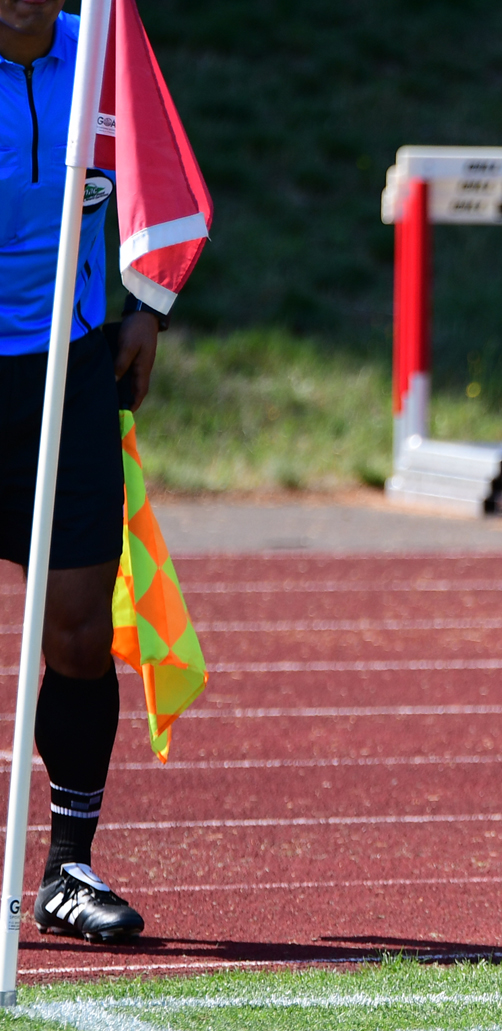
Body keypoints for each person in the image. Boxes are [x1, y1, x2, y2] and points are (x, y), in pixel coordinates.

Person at [2, 0, 168, 943]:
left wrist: (147, 304)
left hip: (65, 371)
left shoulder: (104, 52)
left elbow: (156, 178)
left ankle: (68, 866)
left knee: (73, 631)